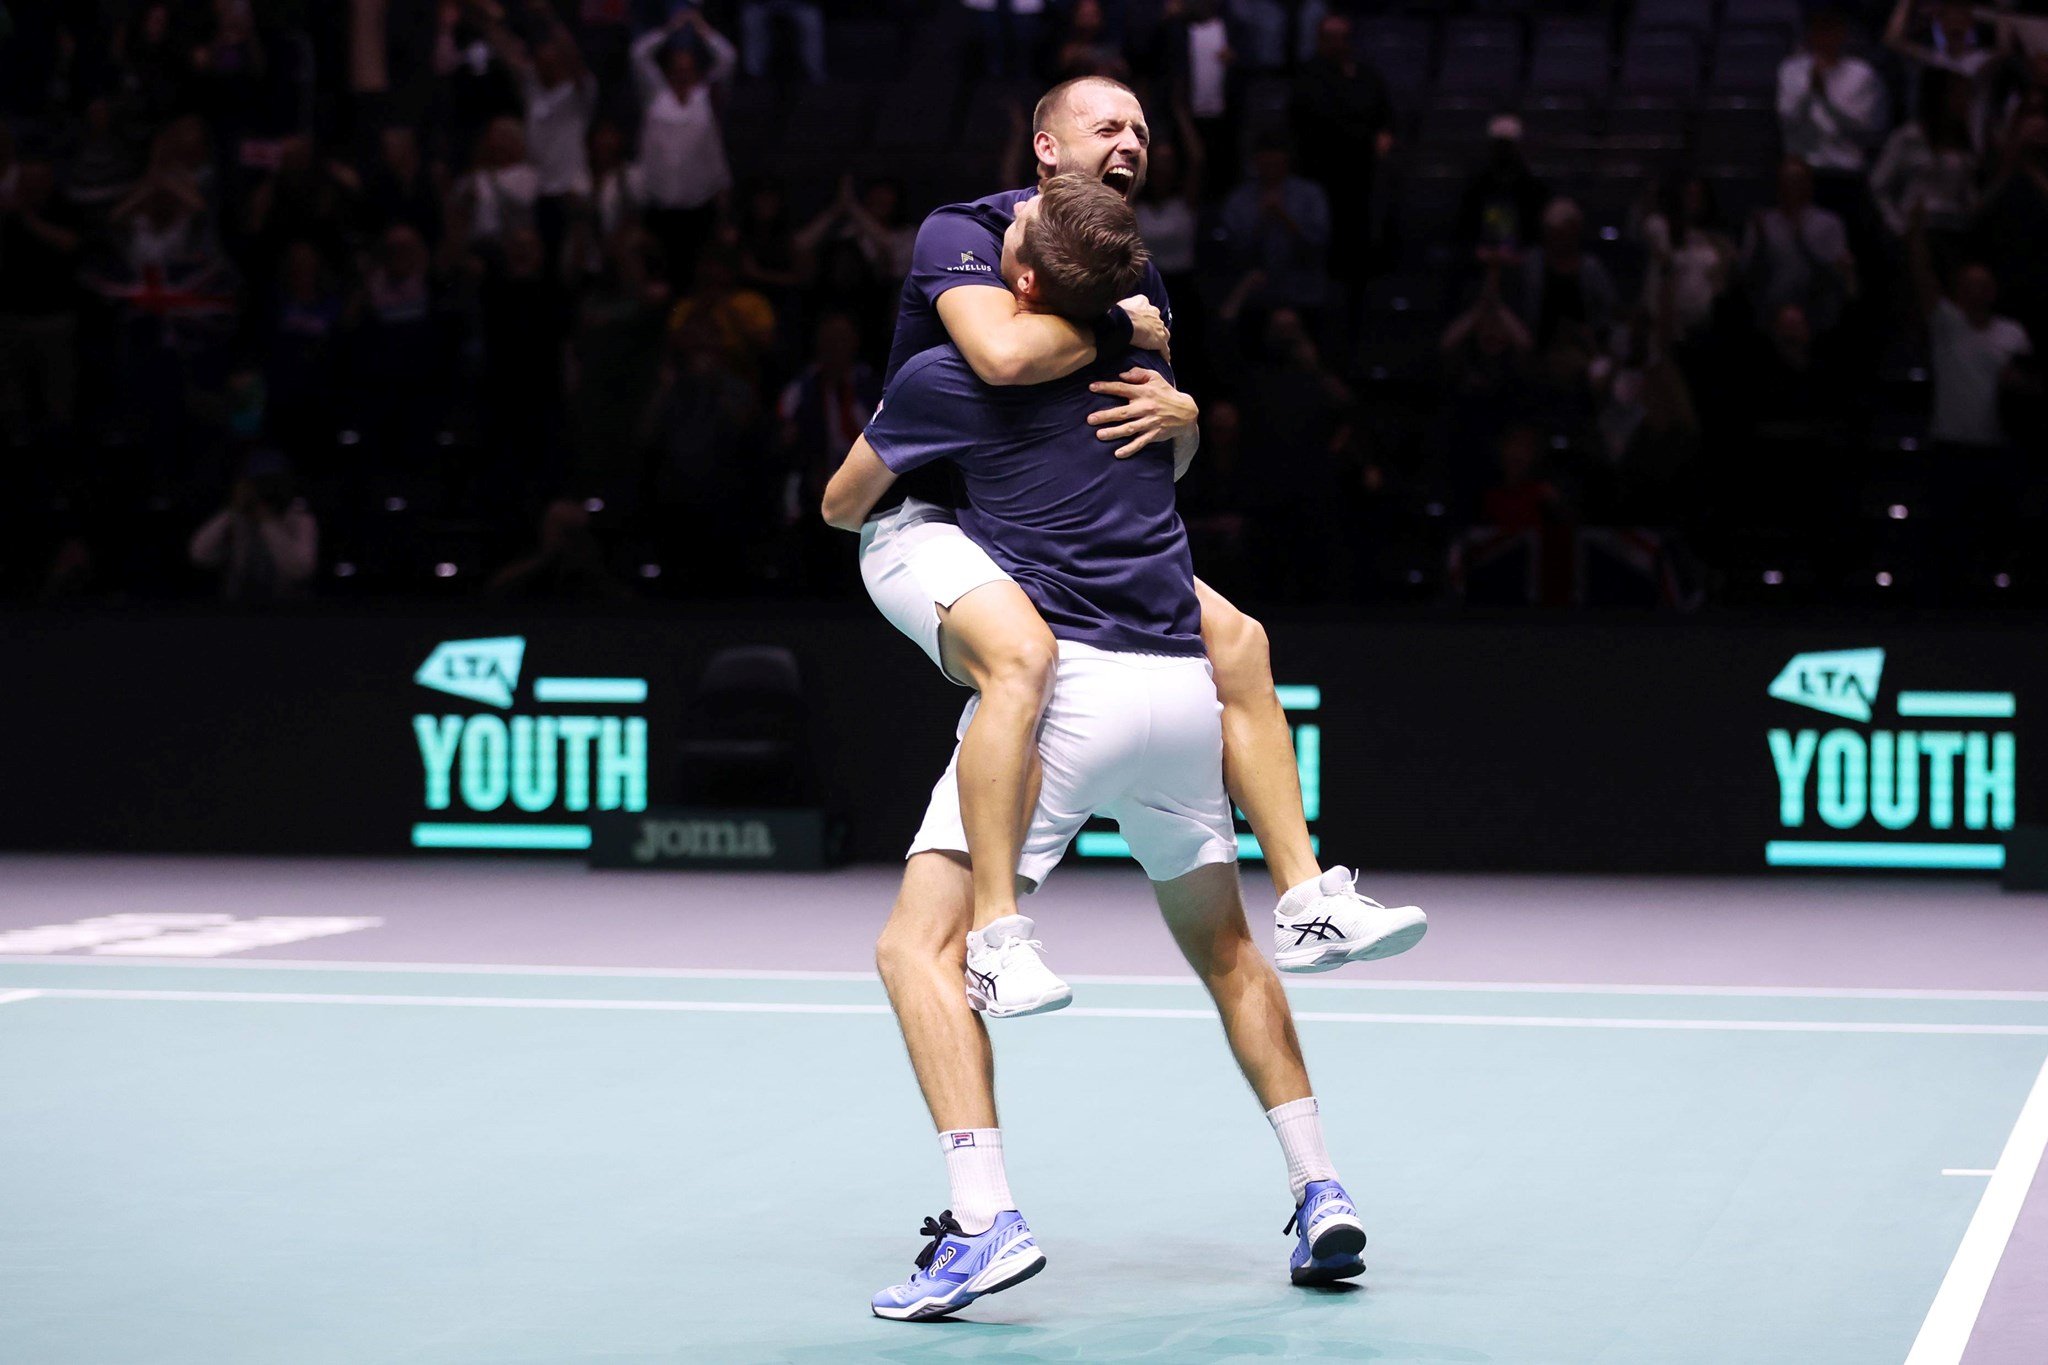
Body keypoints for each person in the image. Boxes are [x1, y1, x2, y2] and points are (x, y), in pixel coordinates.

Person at [822, 174, 1408, 1318]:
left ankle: (983, 1218)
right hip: (1183, 702)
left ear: (1021, 280)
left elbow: (844, 505)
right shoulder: (1147, 378)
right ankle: (1318, 1185)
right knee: (1229, 955)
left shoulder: (946, 374)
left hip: (1069, 698)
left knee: (912, 952)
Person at [847, 75, 1417, 996]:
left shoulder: (1129, 268)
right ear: (1045, 146)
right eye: (1109, 125)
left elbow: (1147, 451)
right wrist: (1119, 327)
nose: (1133, 142)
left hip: (1029, 515)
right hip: (932, 517)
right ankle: (996, 934)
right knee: (1022, 657)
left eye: (1143, 131)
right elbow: (997, 356)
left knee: (1239, 638)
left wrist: (1185, 417)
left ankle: (1308, 898)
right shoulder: (964, 233)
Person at [631, 6, 736, 288]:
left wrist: (701, 28)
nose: (682, 74)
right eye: (677, 69)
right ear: (668, 70)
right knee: (658, 274)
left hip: (699, 202)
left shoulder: (708, 96)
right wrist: (669, 31)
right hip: (659, 202)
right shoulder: (655, 94)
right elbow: (639, 54)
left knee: (695, 273)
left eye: (688, 69)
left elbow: (727, 58)